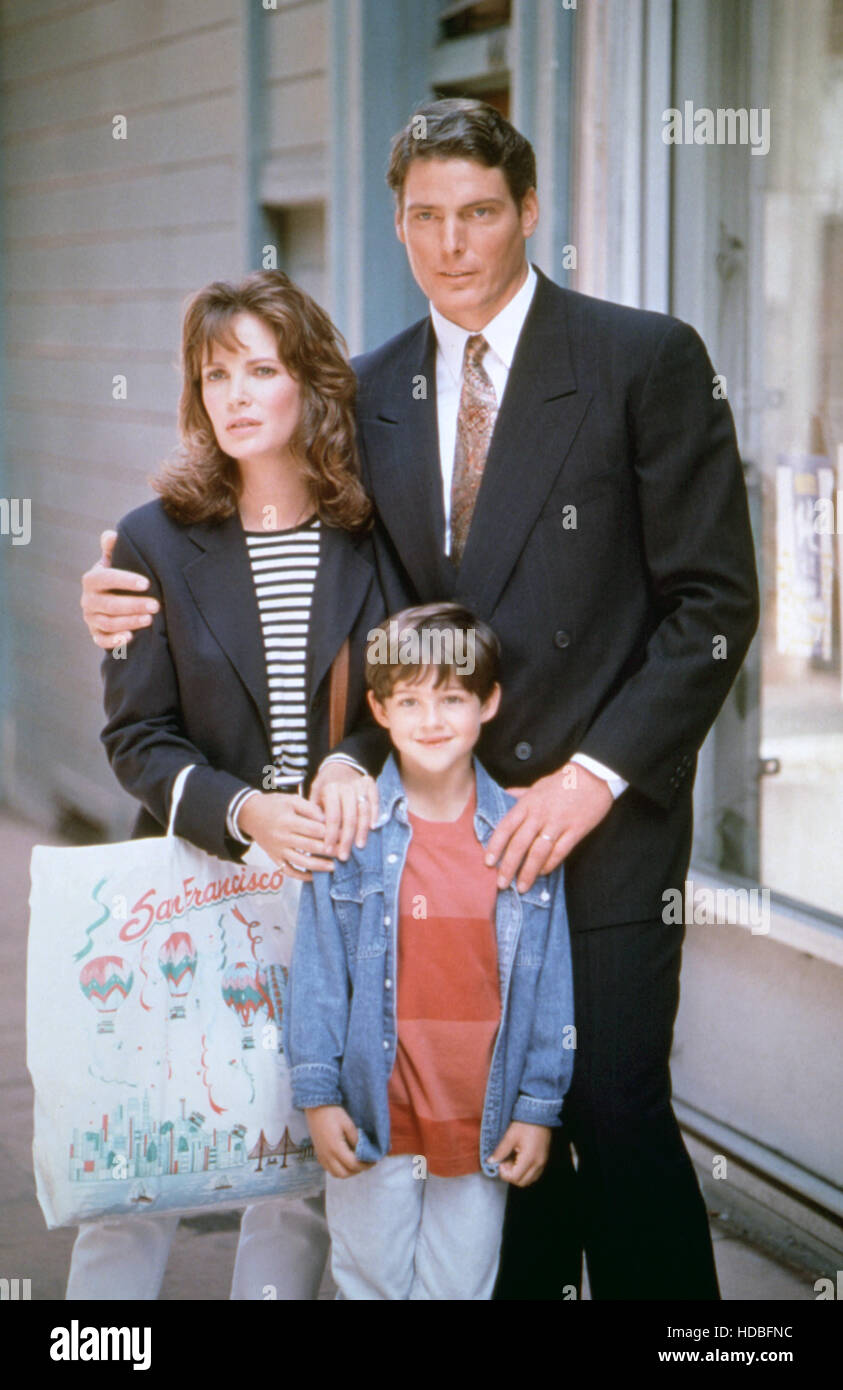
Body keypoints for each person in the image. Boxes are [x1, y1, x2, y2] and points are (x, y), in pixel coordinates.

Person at [81, 99, 760, 1300]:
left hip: (594, 825)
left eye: (481, 213)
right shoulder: (373, 388)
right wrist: (123, 591)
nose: (454, 242)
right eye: (427, 217)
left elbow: (711, 606)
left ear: (529, 210)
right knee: (486, 1145)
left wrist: (592, 777)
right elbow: (297, 560)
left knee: (611, 1109)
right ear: (398, 225)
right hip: (426, 842)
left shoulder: (641, 357)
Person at [67, 268, 386, 1300]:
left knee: (287, 1161)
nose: (238, 394)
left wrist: (353, 760)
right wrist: (240, 810)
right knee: (137, 1156)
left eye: (262, 369)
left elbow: (403, 694)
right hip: (194, 885)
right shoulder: (155, 538)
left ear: (311, 384)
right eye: (217, 374)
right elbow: (138, 737)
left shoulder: (373, 535)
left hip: (329, 891)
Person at [284, 603, 574, 1300]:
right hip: (374, 1113)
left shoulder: (521, 834)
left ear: (488, 702)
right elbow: (318, 974)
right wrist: (319, 1097)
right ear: (379, 710)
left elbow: (549, 981)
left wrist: (537, 1106)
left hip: (480, 1119)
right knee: (372, 1284)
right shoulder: (350, 835)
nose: (431, 719)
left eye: (451, 697)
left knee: (460, 1289)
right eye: (408, 700)